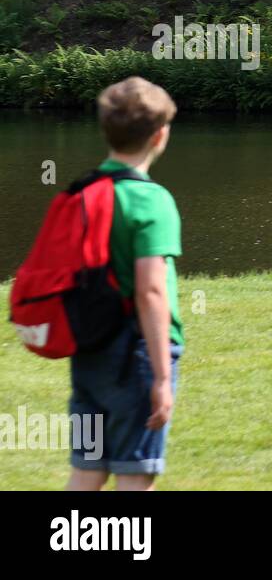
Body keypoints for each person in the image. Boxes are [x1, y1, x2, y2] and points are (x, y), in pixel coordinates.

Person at [67, 77, 185, 491]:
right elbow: (150, 292)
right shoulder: (152, 201)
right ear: (160, 135)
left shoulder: (81, 192)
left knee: (87, 468)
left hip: (87, 351)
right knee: (135, 472)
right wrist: (161, 378)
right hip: (135, 354)